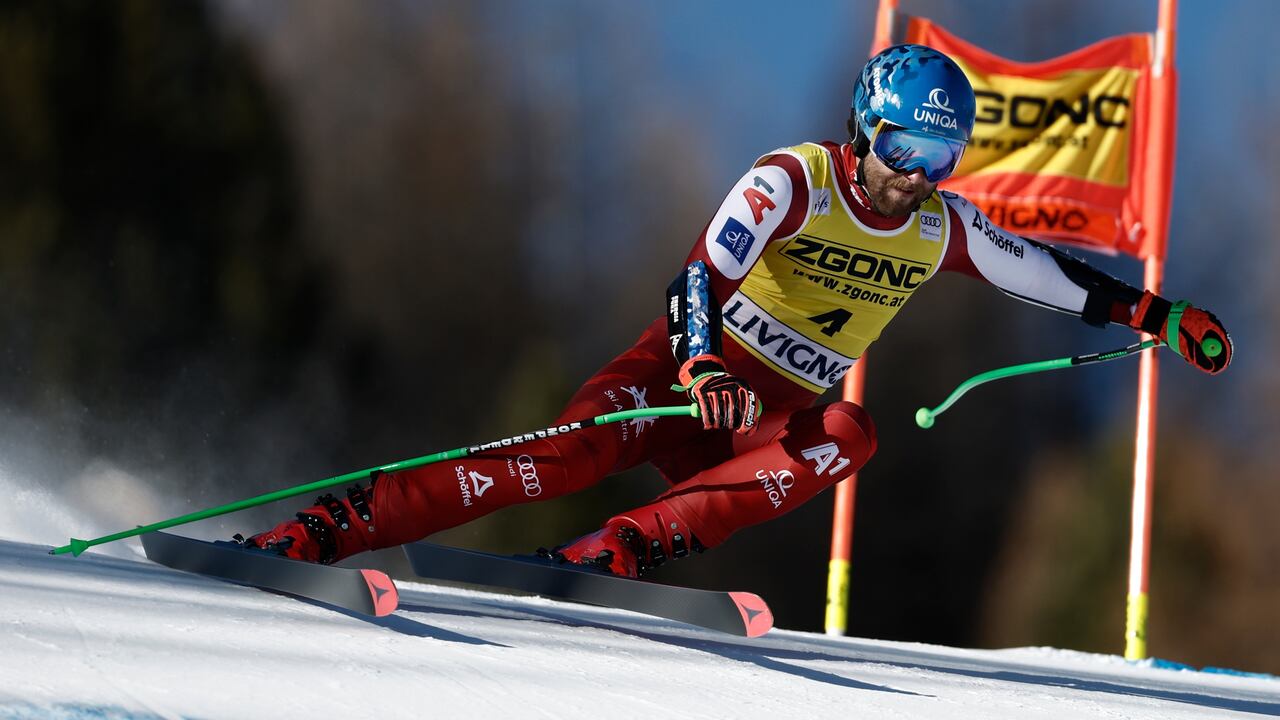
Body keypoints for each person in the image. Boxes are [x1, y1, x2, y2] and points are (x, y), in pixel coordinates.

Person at [240, 44, 1232, 576]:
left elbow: (1058, 278)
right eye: (899, 153)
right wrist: (699, 367)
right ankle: (337, 523)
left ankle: (625, 547)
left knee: (848, 431)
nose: (910, 182)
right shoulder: (790, 182)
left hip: (762, 419)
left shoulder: (942, 229)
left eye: (936, 163)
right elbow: (693, 281)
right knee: (561, 456)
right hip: (684, 376)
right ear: (862, 134)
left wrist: (1161, 314)